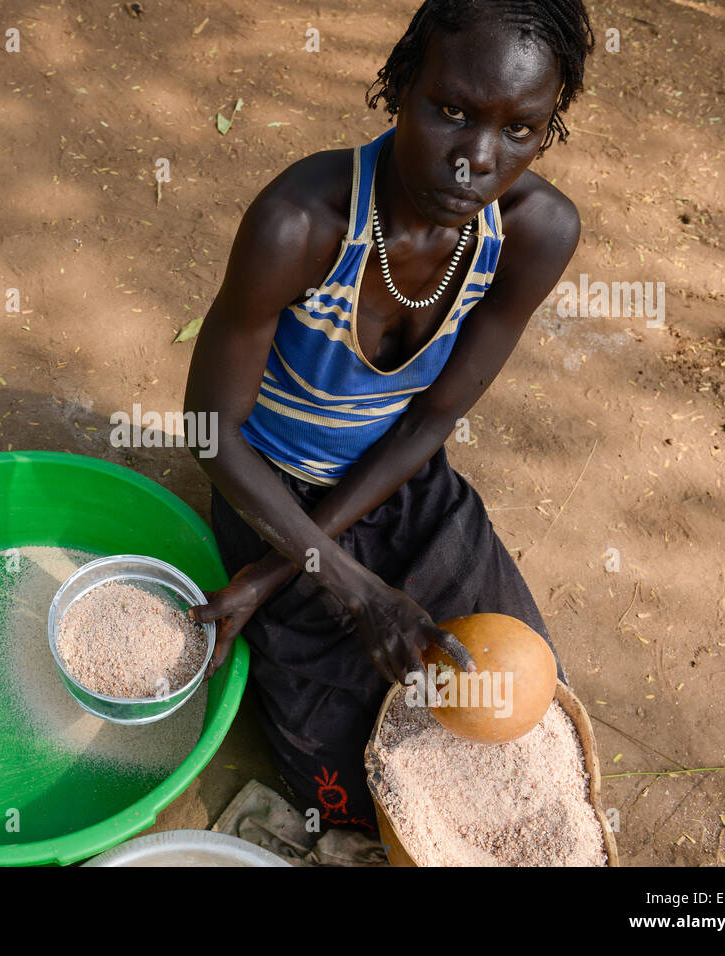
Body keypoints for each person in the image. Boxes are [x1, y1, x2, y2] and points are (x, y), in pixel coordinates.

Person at [183, 0, 595, 834]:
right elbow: (208, 433)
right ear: (400, 85)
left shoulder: (534, 232)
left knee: (514, 696)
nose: (477, 159)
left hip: (400, 479)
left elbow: (429, 422)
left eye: (520, 130)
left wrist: (281, 581)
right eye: (451, 110)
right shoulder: (299, 224)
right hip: (272, 494)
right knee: (353, 792)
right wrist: (333, 576)